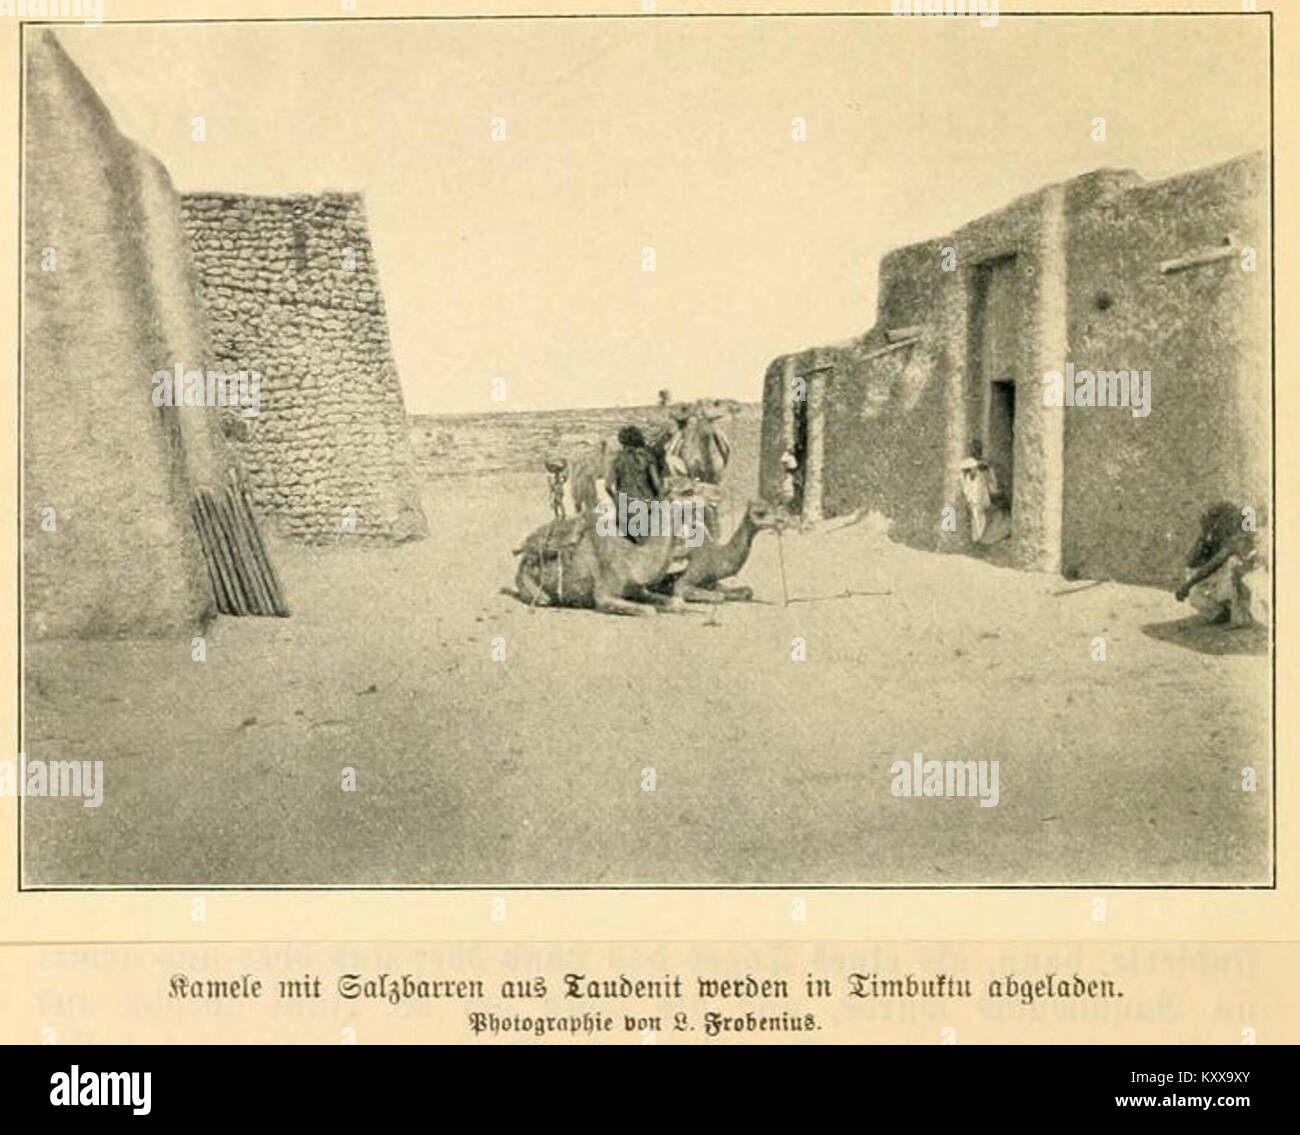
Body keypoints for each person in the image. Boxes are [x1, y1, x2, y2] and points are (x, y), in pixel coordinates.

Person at [1174, 501, 1263, 627]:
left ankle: (1241, 616)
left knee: (1234, 568)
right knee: (1197, 595)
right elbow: (1192, 561)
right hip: (1231, 576)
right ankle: (1225, 611)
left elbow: (1216, 562)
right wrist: (1204, 535)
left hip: (1256, 581)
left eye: (1214, 518)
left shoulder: (1238, 533)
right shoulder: (1215, 532)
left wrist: (1188, 584)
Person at [608, 425, 663, 541]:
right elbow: (658, 485)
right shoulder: (647, 458)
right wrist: (660, 500)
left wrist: (616, 500)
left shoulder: (617, 460)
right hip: (646, 506)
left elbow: (608, 486)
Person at [958, 439, 1010, 545]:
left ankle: (982, 538)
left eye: (978, 449)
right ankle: (978, 538)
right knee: (976, 516)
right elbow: (967, 471)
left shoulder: (983, 465)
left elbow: (989, 476)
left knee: (983, 515)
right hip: (974, 493)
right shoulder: (969, 463)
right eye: (975, 449)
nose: (977, 451)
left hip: (982, 493)